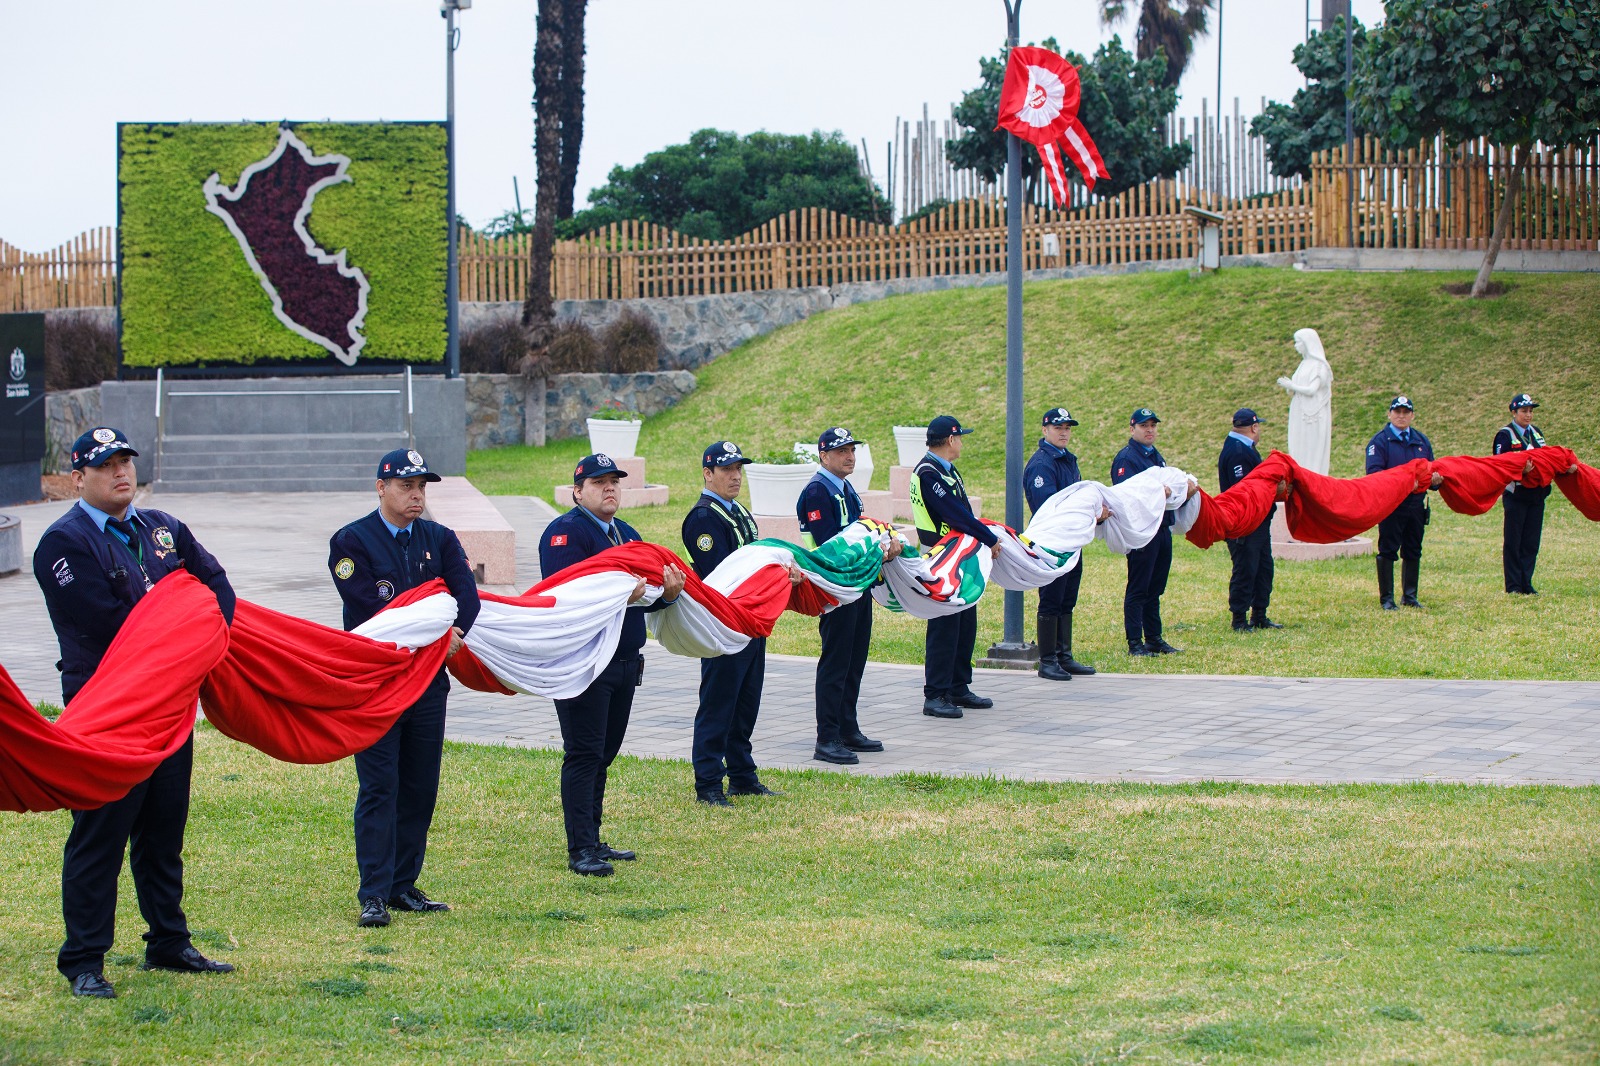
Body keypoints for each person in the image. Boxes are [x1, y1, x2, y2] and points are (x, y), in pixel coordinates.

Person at [32, 428, 238, 999]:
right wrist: (184, 627)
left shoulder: (163, 527)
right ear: (78, 479)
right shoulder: (63, 543)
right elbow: (110, 624)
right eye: (106, 466)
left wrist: (208, 631)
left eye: (126, 461)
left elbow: (216, 584)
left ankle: (168, 942)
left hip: (169, 707)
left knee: (163, 832)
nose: (121, 472)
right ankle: (83, 961)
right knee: (100, 834)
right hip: (109, 710)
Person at [329, 448, 480, 925]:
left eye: (421, 487)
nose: (417, 495)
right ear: (381, 488)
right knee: (380, 787)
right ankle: (373, 893)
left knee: (419, 787)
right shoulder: (351, 540)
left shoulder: (440, 538)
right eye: (406, 486)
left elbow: (467, 598)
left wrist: (452, 630)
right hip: (377, 685)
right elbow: (371, 611)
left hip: (428, 685)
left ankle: (402, 885)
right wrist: (435, 634)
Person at [540, 454, 686, 874]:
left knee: (604, 752)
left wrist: (668, 595)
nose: (609, 488)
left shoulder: (627, 534)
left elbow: (648, 595)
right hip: (585, 662)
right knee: (584, 753)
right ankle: (580, 849)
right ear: (577, 491)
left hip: (624, 661)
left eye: (614, 482)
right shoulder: (564, 533)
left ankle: (593, 838)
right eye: (598, 482)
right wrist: (624, 594)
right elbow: (566, 594)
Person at [684, 441, 799, 804]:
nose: (735, 476)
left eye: (738, 469)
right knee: (718, 704)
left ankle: (742, 776)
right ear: (708, 474)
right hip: (723, 623)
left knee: (745, 703)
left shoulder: (738, 511)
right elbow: (722, 574)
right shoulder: (703, 518)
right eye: (727, 470)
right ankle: (708, 783)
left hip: (751, 621)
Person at [797, 427, 902, 764]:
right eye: (842, 451)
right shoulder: (818, 491)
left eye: (852, 450)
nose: (850, 456)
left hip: (858, 584)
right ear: (823, 456)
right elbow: (830, 544)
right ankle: (827, 737)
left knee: (855, 659)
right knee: (836, 661)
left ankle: (847, 728)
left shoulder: (845, 488)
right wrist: (876, 549)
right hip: (835, 587)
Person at [909, 415, 1002, 719]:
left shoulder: (946, 470)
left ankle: (958, 686)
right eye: (960, 437)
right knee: (944, 626)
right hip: (940, 557)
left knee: (965, 622)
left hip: (958, 555)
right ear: (950, 440)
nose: (962, 442)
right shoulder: (928, 473)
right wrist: (989, 539)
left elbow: (964, 513)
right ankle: (935, 694)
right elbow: (955, 514)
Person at [1111, 408, 1195, 656]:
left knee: (1155, 587)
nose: (1149, 430)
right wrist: (1161, 492)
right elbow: (1126, 496)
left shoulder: (1155, 455)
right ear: (1132, 429)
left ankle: (1154, 638)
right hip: (1143, 531)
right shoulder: (1127, 459)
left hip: (1162, 527)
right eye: (1144, 426)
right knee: (1139, 587)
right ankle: (1135, 642)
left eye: (1153, 426)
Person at [1022, 407, 1096, 680]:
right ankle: (1048, 660)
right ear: (1045, 430)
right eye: (1058, 427)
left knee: (1067, 599)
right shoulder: (1042, 464)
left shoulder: (1067, 459)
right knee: (1052, 600)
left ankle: (1064, 656)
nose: (1064, 432)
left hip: (1071, 541)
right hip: (1051, 543)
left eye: (1067, 428)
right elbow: (1048, 507)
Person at [1366, 396, 1444, 610]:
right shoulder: (1380, 442)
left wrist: (1435, 481)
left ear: (1412, 415)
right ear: (1389, 414)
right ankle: (1387, 599)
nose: (1401, 416)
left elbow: (1431, 469)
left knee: (1413, 548)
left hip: (1416, 505)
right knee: (1388, 549)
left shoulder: (1421, 441)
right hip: (1392, 505)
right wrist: (1403, 483)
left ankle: (1410, 596)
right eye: (1397, 412)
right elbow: (1374, 474)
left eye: (1405, 412)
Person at [1218, 408, 1282, 632]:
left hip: (1257, 522)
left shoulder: (1243, 448)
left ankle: (1259, 615)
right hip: (1244, 523)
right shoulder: (1238, 451)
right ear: (1254, 427)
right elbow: (1244, 489)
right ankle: (1239, 619)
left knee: (1263, 568)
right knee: (1246, 569)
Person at [1493, 393, 1551, 595]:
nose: (1528, 415)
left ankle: (1526, 583)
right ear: (1513, 412)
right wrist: (1520, 470)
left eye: (1530, 411)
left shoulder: (1536, 433)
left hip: (1536, 495)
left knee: (1531, 541)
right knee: (1514, 541)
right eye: (1524, 411)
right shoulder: (1505, 435)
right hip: (1516, 494)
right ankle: (1513, 586)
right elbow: (1499, 464)